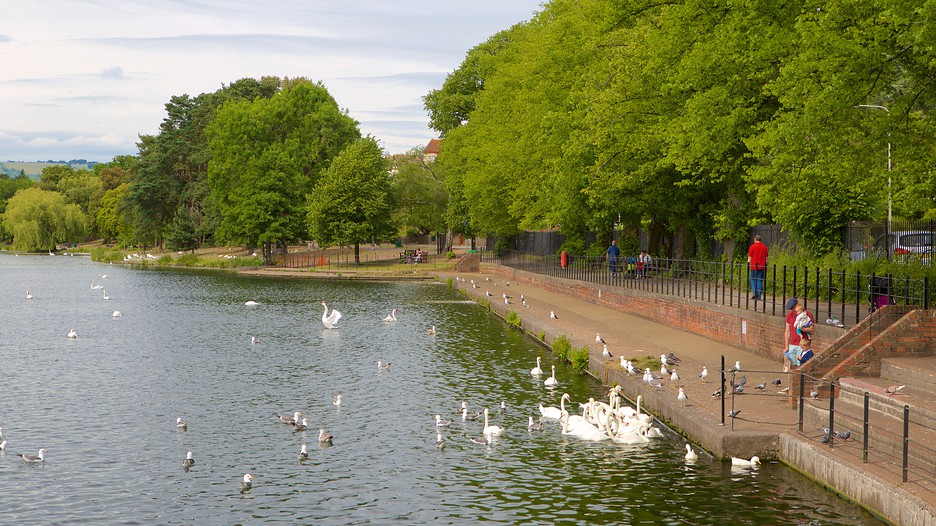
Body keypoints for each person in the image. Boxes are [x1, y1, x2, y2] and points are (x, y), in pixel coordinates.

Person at [783, 298, 814, 370]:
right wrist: (786, 346)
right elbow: (787, 331)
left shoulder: (808, 315)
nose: (793, 310)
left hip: (803, 344)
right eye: (791, 309)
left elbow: (812, 330)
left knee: (800, 365)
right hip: (792, 344)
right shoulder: (790, 315)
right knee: (792, 365)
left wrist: (802, 328)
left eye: (794, 308)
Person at [747, 234, 768, 300]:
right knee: (759, 280)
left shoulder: (752, 247)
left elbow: (750, 257)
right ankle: (758, 296)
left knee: (752, 279)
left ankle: (754, 292)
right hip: (761, 266)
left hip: (753, 266)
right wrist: (766, 265)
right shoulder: (765, 247)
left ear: (755, 239)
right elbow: (766, 258)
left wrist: (748, 263)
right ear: (760, 240)